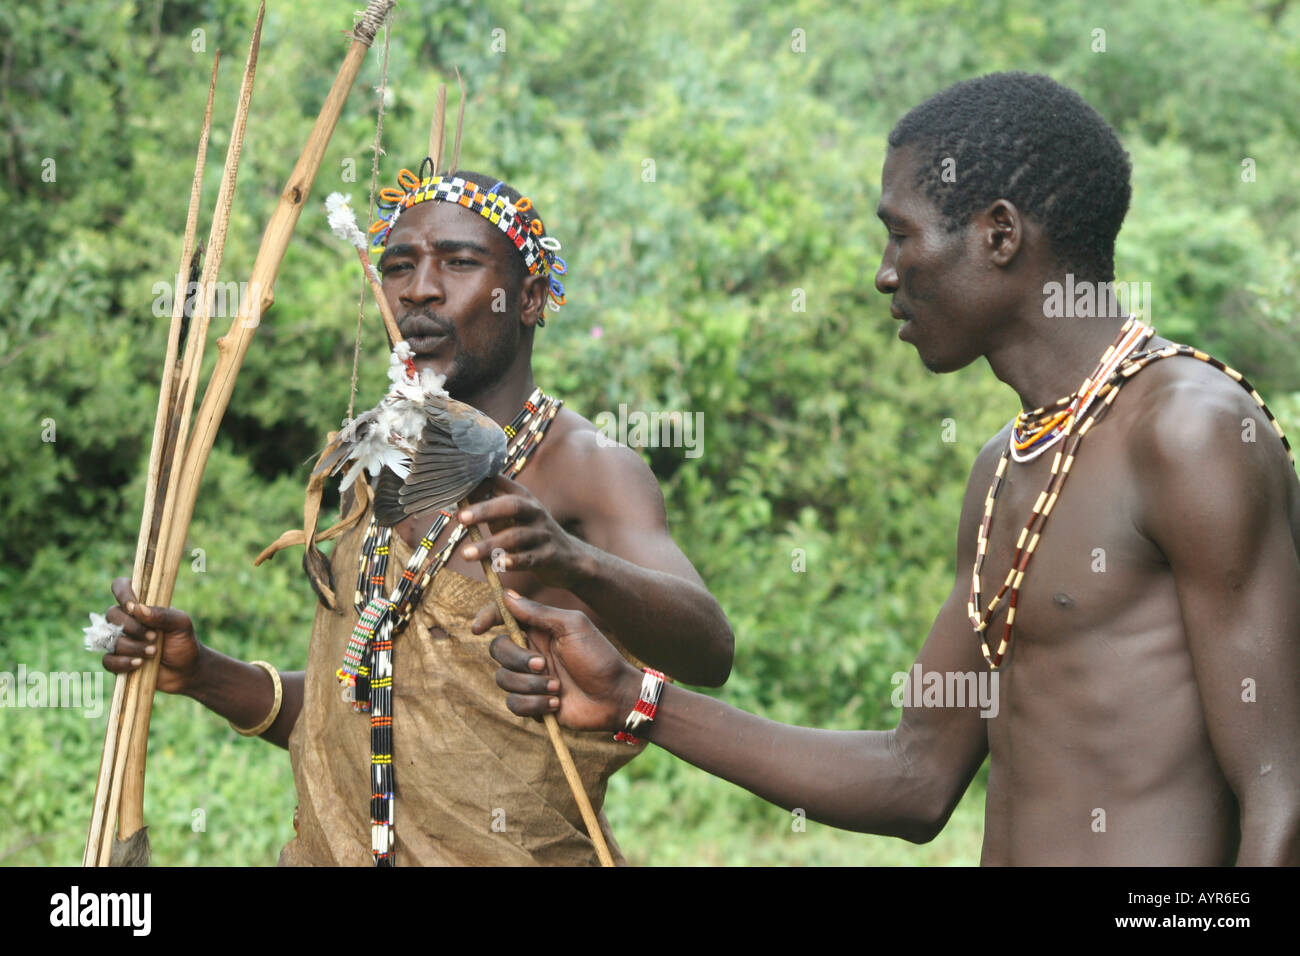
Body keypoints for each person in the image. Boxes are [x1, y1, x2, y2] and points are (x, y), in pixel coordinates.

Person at [486, 72, 1300, 865]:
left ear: (1000, 234)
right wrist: (637, 700)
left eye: (901, 233)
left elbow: (1283, 794)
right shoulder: (1006, 469)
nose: (884, 273)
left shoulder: (1191, 432)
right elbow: (914, 778)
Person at [101, 162, 734, 866]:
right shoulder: (373, 459)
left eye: (459, 263)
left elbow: (709, 649)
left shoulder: (587, 466)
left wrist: (571, 560)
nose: (419, 288)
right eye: (398, 265)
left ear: (527, 299)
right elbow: (372, 706)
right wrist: (202, 675)